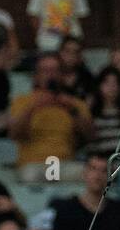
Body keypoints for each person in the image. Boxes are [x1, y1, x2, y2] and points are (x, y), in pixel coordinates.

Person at [7, 52, 93, 180]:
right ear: (36, 76)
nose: (50, 74)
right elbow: (13, 134)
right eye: (45, 70)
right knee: (30, 176)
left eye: (55, 70)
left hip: (64, 164)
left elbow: (90, 135)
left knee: (88, 175)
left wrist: (72, 110)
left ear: (62, 75)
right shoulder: (22, 102)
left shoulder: (74, 103)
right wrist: (31, 108)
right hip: (33, 164)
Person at [85, 65, 120, 157]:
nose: (111, 87)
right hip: (98, 161)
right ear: (99, 85)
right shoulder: (91, 112)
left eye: (115, 83)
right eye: (107, 82)